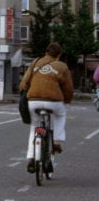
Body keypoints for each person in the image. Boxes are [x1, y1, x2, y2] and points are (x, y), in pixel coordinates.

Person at [19, 41, 74, 173]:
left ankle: (31, 158)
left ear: (46, 52)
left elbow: (24, 84)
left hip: (33, 101)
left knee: (35, 127)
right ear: (59, 55)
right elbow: (68, 88)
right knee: (60, 115)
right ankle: (56, 142)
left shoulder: (35, 63)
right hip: (54, 101)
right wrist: (66, 100)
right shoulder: (62, 66)